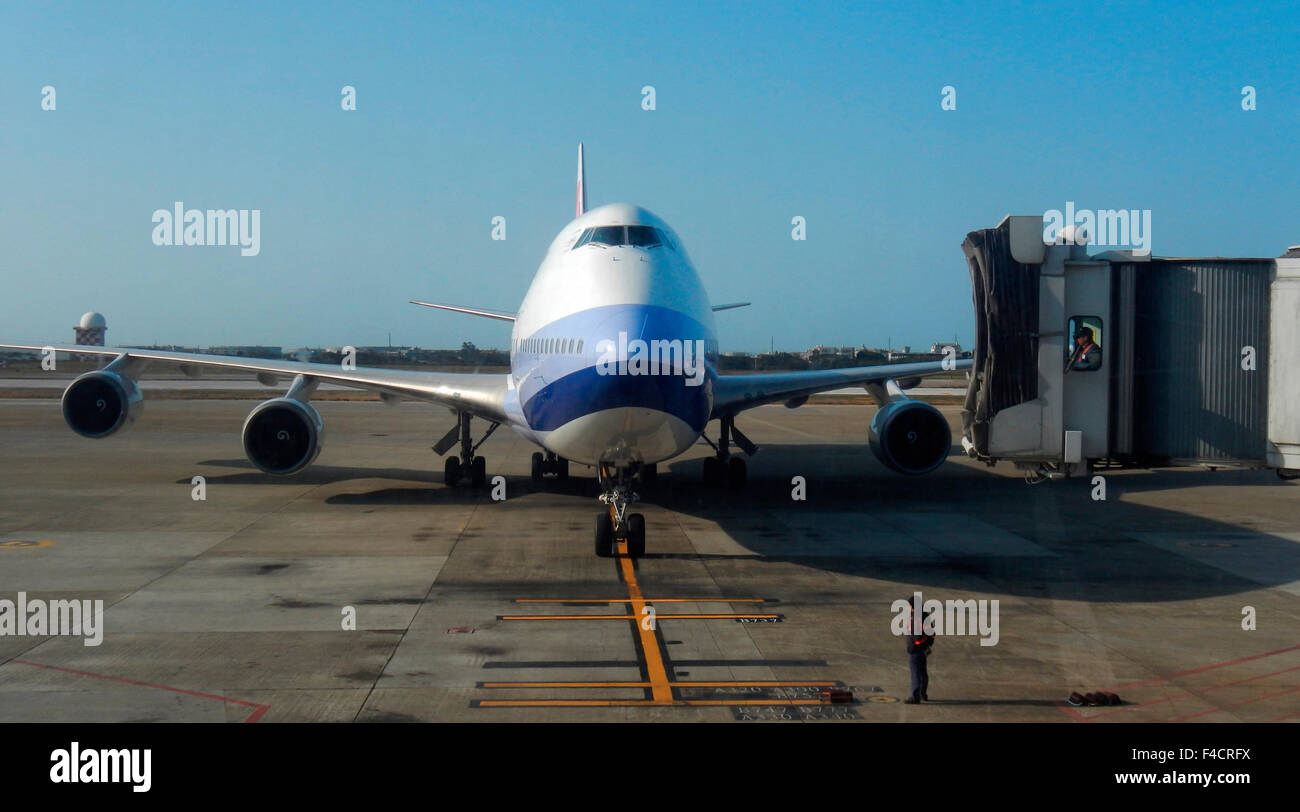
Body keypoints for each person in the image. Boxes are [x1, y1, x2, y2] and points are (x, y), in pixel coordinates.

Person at [904, 598, 935, 704]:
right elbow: (931, 633)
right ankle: (923, 694)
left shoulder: (915, 617)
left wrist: (918, 646)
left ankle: (915, 696)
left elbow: (917, 637)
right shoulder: (926, 616)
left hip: (916, 651)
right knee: (922, 673)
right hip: (923, 650)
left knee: (915, 673)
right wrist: (927, 646)